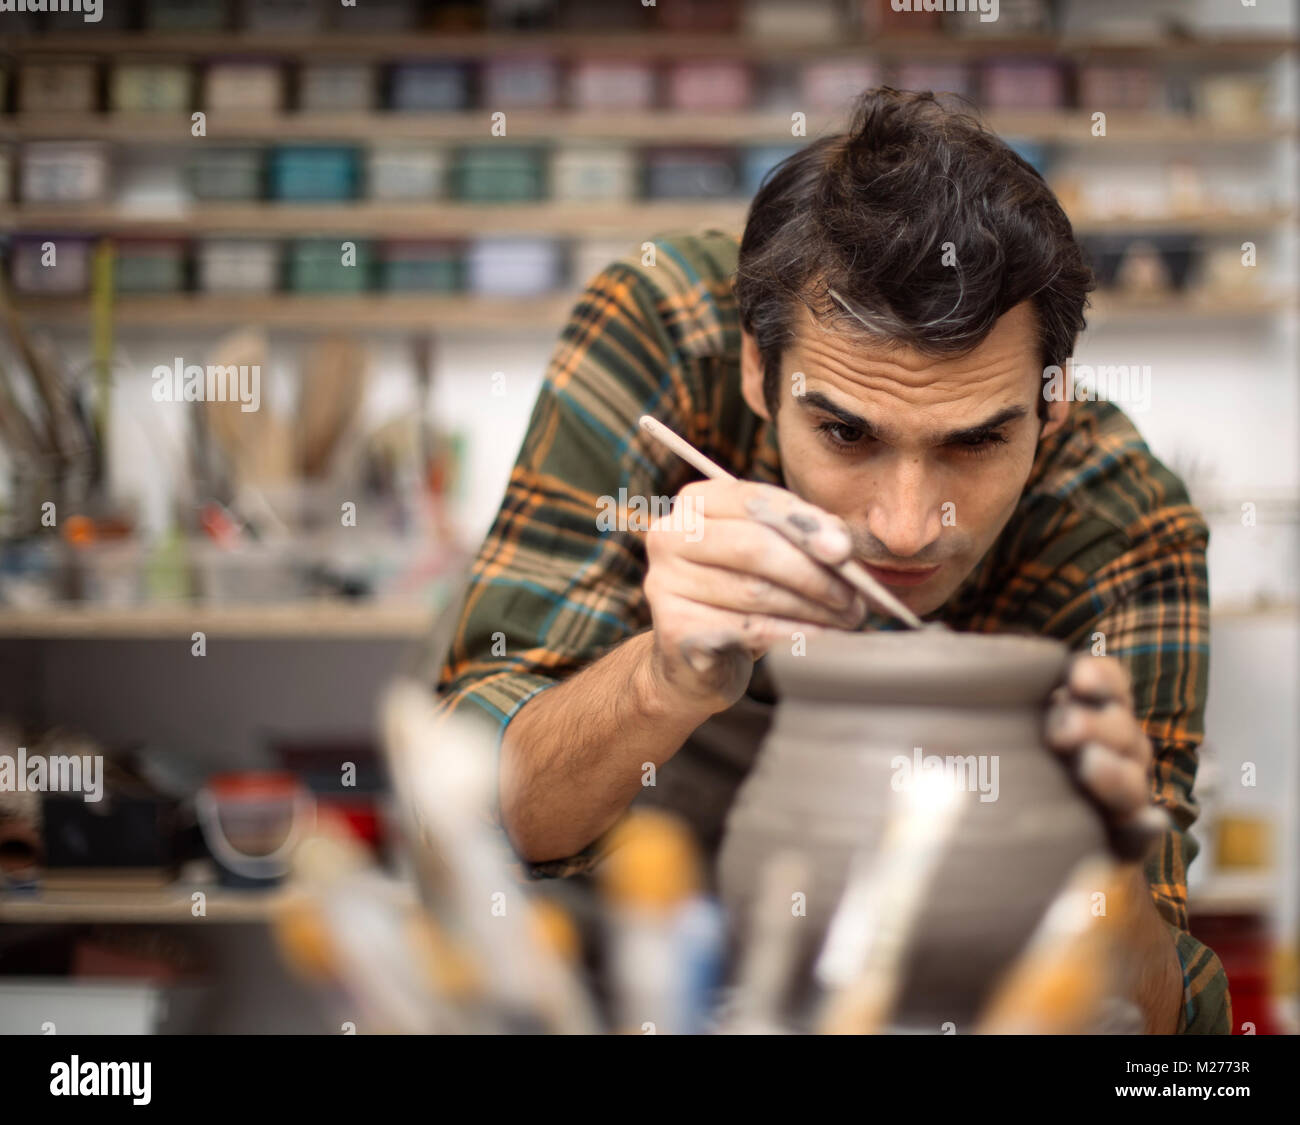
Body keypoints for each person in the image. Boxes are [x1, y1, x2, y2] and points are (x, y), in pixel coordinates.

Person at [435, 89, 1229, 1034]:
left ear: (1053, 400)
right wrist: (659, 681)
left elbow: (1180, 1035)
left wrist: (1106, 870)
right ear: (756, 370)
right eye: (847, 433)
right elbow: (471, 793)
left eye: (976, 441)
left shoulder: (1122, 521)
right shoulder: (661, 328)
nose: (905, 527)